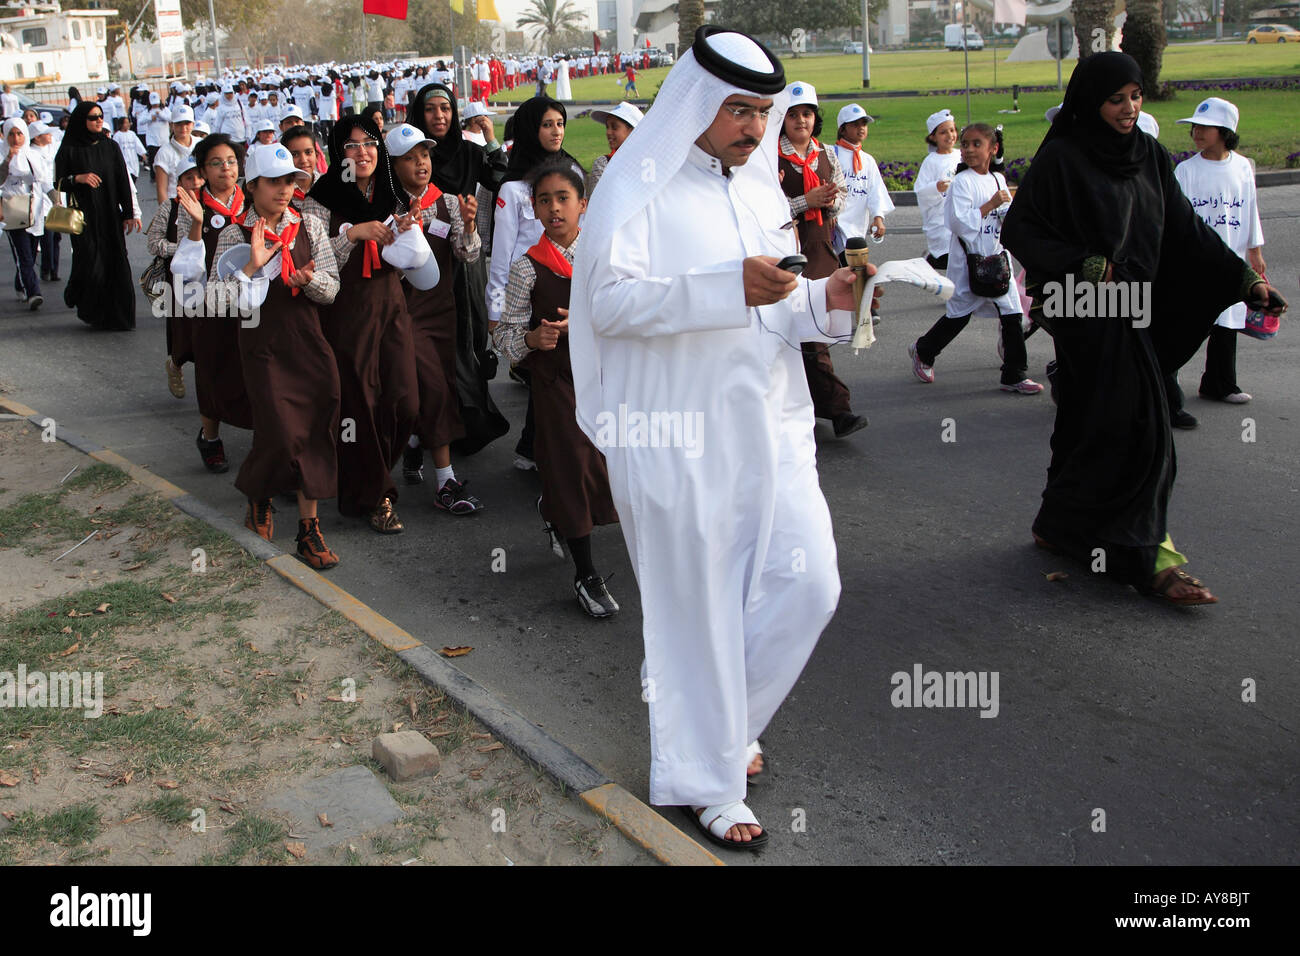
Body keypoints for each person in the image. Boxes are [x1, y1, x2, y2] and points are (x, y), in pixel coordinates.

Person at [568, 26, 866, 850]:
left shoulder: (760, 189)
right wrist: (721, 286)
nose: (752, 127)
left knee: (811, 587)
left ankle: (728, 729)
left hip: (769, 424)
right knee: (697, 610)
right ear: (695, 102)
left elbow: (780, 306)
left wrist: (831, 297)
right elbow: (609, 308)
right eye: (738, 109)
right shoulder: (637, 190)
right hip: (674, 434)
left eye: (762, 112)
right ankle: (704, 780)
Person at [1001, 52, 1285, 607]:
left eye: (1134, 96)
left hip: (1136, 303)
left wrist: (1245, 278)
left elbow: (1184, 226)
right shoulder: (1064, 157)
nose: (1129, 108)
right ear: (1091, 103)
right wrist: (1084, 262)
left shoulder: (1149, 155)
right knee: (1143, 425)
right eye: (1116, 99)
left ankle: (1059, 525)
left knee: (1088, 417)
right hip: (1082, 305)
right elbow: (1021, 228)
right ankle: (1149, 557)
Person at [177, 142, 345, 569]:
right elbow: (217, 300)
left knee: (314, 430)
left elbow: (332, 288)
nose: (284, 189)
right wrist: (251, 268)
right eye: (274, 181)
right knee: (281, 431)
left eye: (290, 180)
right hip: (262, 348)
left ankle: (309, 529)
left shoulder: (309, 225)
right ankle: (258, 496)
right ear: (252, 186)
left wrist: (308, 281)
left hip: (309, 344)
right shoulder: (235, 233)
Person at [494, 161, 619, 616]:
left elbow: (632, 312)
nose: (553, 208)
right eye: (543, 200)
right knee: (570, 464)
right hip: (556, 382)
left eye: (563, 198)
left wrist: (586, 325)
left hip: (606, 378)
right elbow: (504, 336)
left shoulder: (606, 255)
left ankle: (551, 508)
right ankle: (586, 576)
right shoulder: (527, 268)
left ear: (583, 204)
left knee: (605, 464)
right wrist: (531, 339)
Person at [302, 116, 420, 533]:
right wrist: (353, 235)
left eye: (369, 143)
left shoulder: (392, 193)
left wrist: (404, 234)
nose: (361, 152)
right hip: (346, 313)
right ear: (338, 154)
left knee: (405, 401)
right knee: (361, 406)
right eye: (350, 146)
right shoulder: (321, 199)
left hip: (391, 308)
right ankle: (378, 496)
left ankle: (364, 478)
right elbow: (311, 262)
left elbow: (410, 264)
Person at [385, 123, 484, 513]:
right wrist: (400, 235)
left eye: (424, 155)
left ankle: (414, 443)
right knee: (430, 387)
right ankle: (446, 482)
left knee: (436, 385)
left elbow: (467, 254)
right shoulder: (387, 208)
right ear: (393, 165)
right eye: (409, 158)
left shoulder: (446, 202)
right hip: (403, 313)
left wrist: (471, 225)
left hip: (441, 311)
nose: (420, 163)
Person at [409, 82, 510, 458]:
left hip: (465, 256)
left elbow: (500, 180)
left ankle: (468, 421)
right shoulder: (408, 155)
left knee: (469, 336)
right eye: (431, 109)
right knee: (433, 341)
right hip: (423, 258)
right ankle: (430, 425)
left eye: (445, 109)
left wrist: (489, 139)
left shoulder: (469, 153)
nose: (439, 116)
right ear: (419, 114)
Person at [907, 123, 1041, 394]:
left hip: (996, 261)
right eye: (965, 144)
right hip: (969, 264)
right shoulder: (962, 183)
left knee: (1012, 314)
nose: (968, 150)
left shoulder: (997, 179)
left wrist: (1008, 215)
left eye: (976, 144)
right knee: (959, 315)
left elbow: (1006, 217)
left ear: (993, 148)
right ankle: (924, 350)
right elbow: (958, 224)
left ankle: (1014, 374)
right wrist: (990, 205)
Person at [489, 96, 583, 471]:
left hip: (573, 284)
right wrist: (496, 312)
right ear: (531, 128)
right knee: (544, 375)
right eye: (547, 124)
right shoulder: (513, 188)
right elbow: (501, 255)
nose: (556, 131)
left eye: (560, 123)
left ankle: (542, 446)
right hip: (528, 289)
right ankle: (540, 449)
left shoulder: (573, 169)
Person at [777, 82, 867, 438]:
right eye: (794, 114)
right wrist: (805, 201)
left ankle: (803, 406)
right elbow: (763, 207)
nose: (801, 121)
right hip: (789, 250)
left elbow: (842, 194)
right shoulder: (770, 158)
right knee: (809, 335)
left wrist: (830, 202)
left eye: (807, 114)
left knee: (812, 333)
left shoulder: (826, 154)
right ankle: (838, 408)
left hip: (821, 249)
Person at [1172, 97, 1265, 407]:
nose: (1197, 133)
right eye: (1195, 127)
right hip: (1196, 260)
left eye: (1205, 128)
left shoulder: (1242, 167)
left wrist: (1255, 249)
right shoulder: (1186, 171)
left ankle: (1220, 382)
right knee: (1185, 324)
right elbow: (1175, 216)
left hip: (1232, 256)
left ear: (1225, 132)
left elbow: (1250, 209)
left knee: (1227, 321)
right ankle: (1163, 380)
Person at [171, 133, 255, 471]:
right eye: (216, 163)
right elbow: (184, 263)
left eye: (231, 162)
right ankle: (210, 437)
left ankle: (262, 436)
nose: (226, 169)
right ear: (203, 170)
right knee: (212, 367)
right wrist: (195, 224)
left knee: (251, 365)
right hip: (207, 300)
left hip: (248, 297)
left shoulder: (251, 199)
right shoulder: (192, 205)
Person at [54, 102, 141, 330]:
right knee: (91, 262)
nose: (99, 120)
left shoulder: (110, 146)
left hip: (110, 215)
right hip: (84, 218)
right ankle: (92, 310)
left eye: (101, 116)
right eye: (93, 117)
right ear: (82, 121)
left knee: (116, 262)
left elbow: (122, 179)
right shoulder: (69, 149)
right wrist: (77, 179)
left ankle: (119, 317)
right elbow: (59, 182)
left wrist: (129, 212)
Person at [146, 156, 204, 399]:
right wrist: (181, 249)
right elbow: (153, 243)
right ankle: (175, 366)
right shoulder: (169, 208)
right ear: (179, 182)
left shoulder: (214, 206)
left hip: (207, 280)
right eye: (188, 178)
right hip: (178, 282)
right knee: (181, 332)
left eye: (198, 176)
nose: (195, 182)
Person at [2, 118, 55, 310]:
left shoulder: (33, 156)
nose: (16, 138)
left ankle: (21, 283)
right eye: (11, 134)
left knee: (30, 255)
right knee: (23, 254)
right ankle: (34, 292)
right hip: (13, 211)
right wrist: (8, 159)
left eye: (19, 134)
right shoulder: (2, 154)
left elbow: (45, 182)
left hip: (35, 210)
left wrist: (56, 200)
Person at [831, 103, 892, 248]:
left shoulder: (868, 160)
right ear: (843, 130)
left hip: (857, 225)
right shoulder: (832, 153)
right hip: (835, 225)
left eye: (864, 124)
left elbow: (875, 190)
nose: (861, 128)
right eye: (855, 124)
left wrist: (878, 217)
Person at [914, 109, 959, 269]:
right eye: (943, 132)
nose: (950, 135)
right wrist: (936, 188)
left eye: (952, 130)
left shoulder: (961, 156)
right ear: (933, 137)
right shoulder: (931, 161)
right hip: (941, 219)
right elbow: (920, 191)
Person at [585, 101, 643, 197]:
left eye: (614, 127)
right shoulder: (603, 164)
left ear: (633, 131)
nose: (608, 132)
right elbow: (597, 203)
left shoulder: (650, 164)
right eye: (607, 127)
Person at [153, 104, 196, 204]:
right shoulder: (164, 152)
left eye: (187, 123)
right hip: (177, 203)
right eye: (178, 124)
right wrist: (166, 216)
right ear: (172, 125)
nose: (183, 127)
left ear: (193, 124)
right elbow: (161, 189)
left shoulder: (201, 144)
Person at [112, 117, 147, 183]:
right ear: (121, 124)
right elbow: (114, 149)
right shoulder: (117, 135)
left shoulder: (132, 134)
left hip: (133, 160)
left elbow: (138, 144)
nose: (128, 124)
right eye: (126, 123)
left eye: (128, 123)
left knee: (134, 177)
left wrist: (143, 154)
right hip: (123, 160)